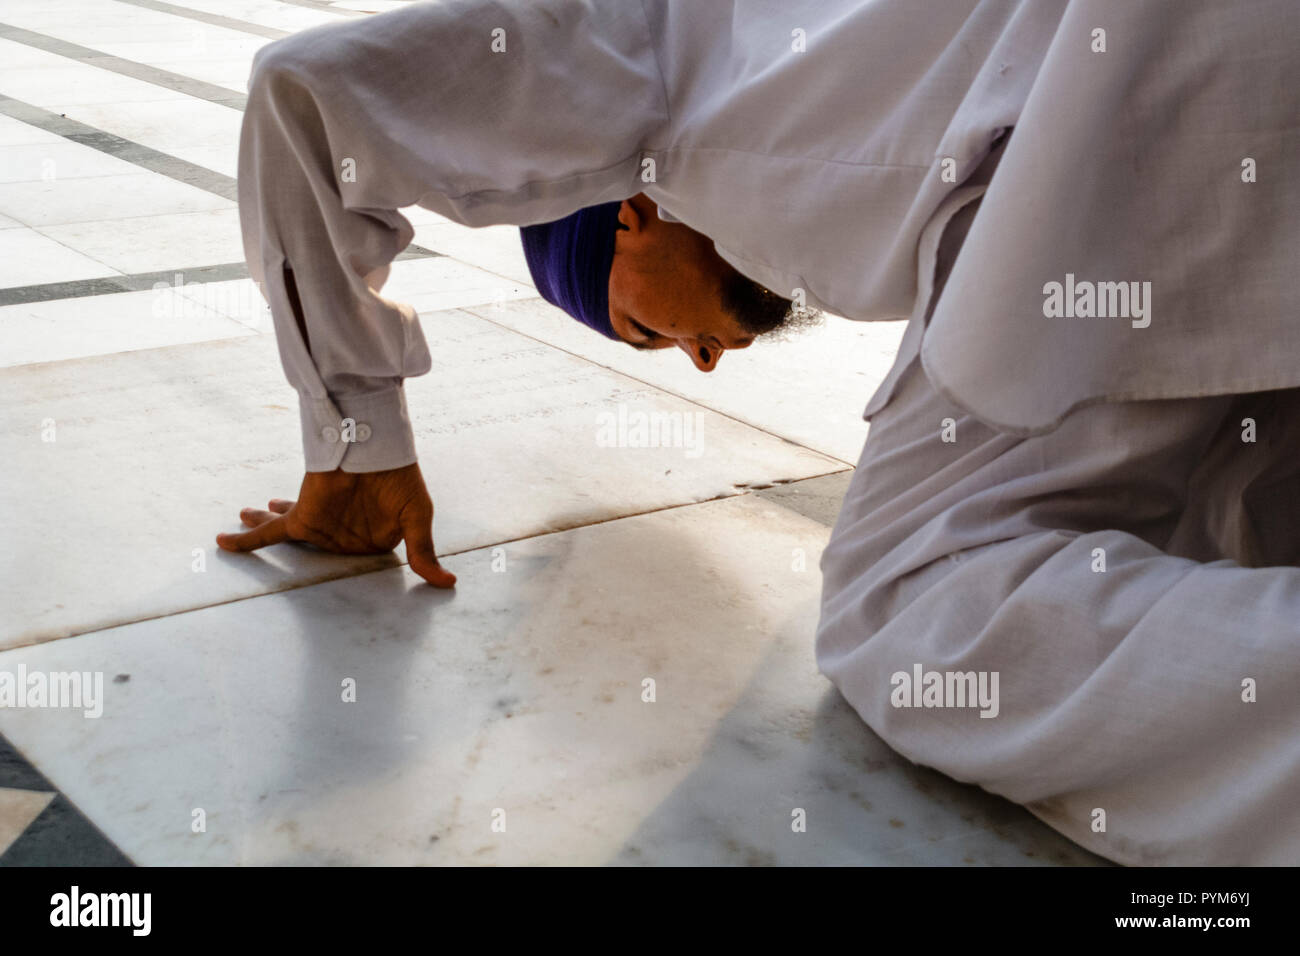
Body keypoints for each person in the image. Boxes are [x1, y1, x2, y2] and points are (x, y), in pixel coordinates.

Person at [220, 0, 1300, 864]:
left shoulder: (631, 47)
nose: (699, 355)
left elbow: (306, 97)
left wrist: (356, 443)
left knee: (913, 601)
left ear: (629, 218)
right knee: (1237, 511)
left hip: (1141, 90)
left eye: (643, 325)